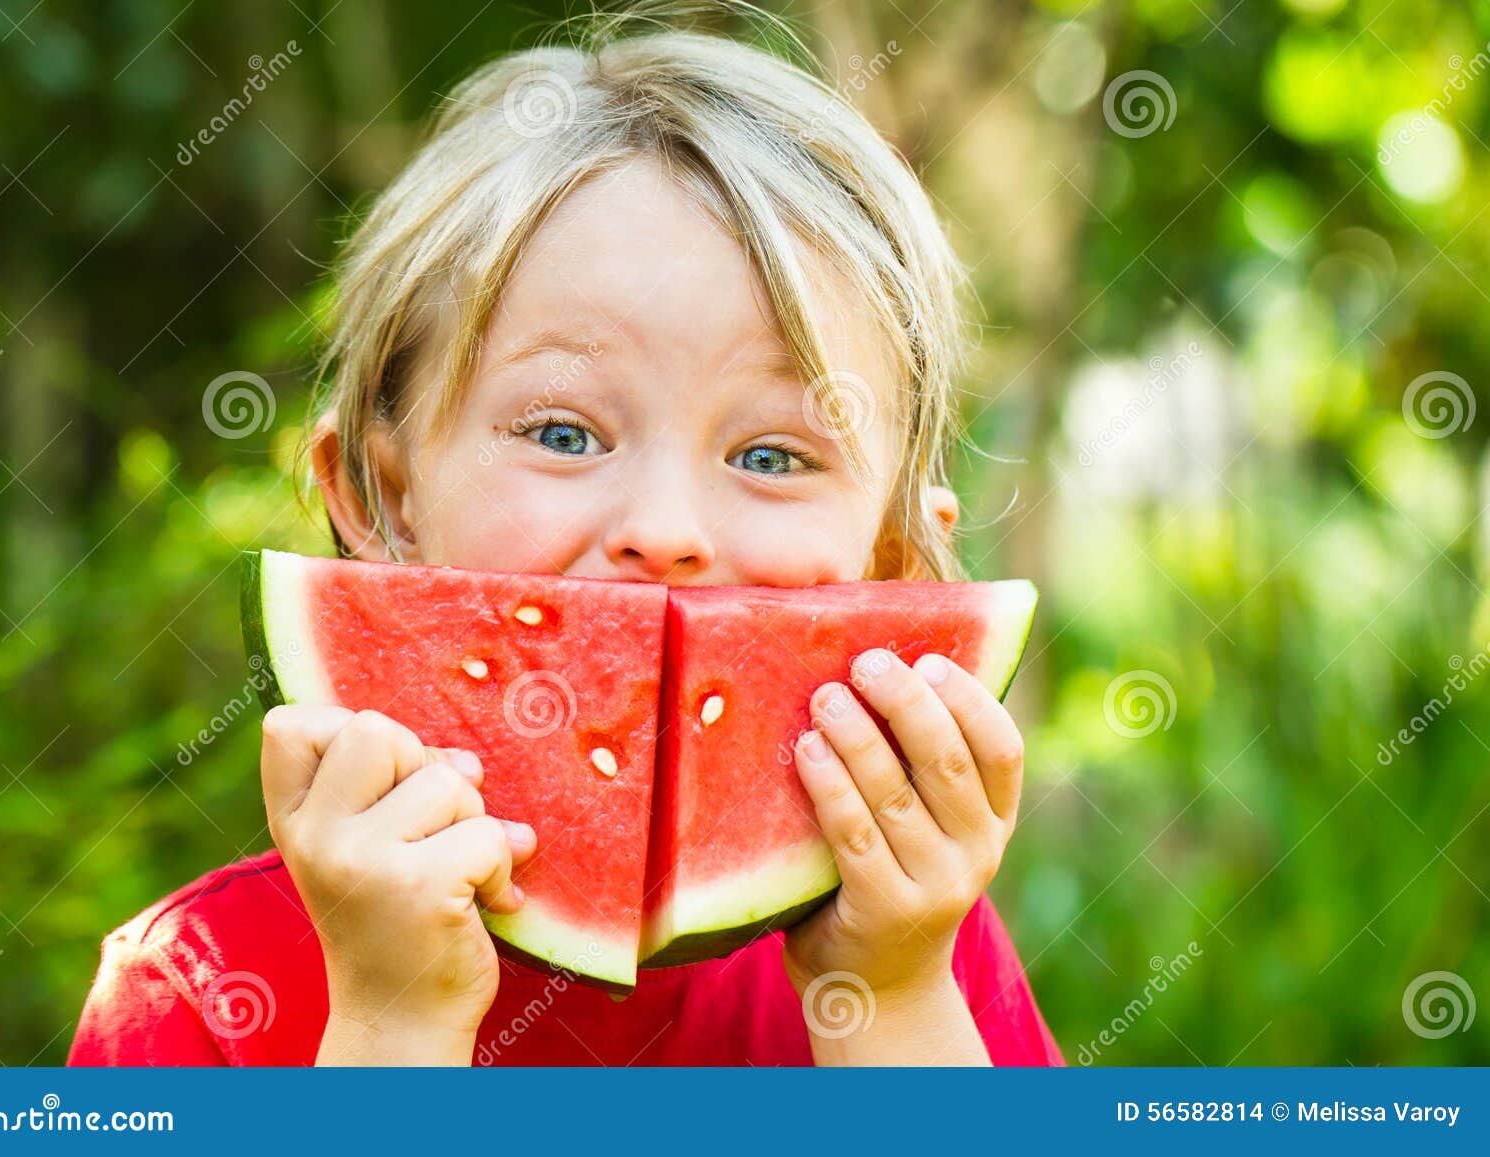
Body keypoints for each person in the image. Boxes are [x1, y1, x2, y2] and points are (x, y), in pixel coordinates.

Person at [69, 9, 1063, 1067]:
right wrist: (393, 1020)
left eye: (773, 455)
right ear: (380, 494)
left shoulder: (924, 954)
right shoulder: (202, 981)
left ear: (893, 560)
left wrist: (892, 999)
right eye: (561, 431)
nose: (664, 531)